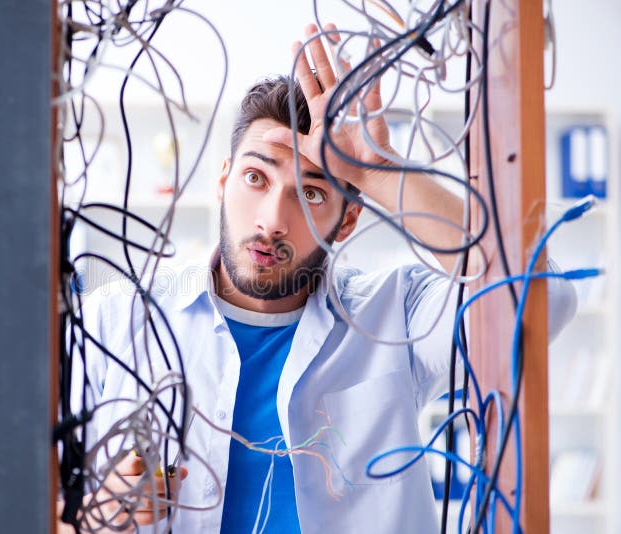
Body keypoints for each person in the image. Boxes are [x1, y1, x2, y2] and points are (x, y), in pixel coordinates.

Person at [59, 23, 576, 534]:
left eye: (310, 193)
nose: (271, 220)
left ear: (348, 219)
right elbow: (29, 502)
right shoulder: (117, 320)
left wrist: (380, 173)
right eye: (255, 178)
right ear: (222, 181)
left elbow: (541, 301)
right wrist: (93, 514)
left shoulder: (393, 313)